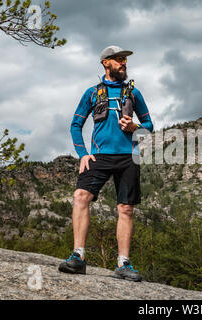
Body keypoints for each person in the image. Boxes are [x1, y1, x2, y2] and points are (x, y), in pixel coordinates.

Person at [58, 45, 153, 282]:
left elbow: (149, 126)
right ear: (106, 63)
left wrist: (135, 128)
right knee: (81, 196)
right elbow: (75, 125)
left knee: (126, 208)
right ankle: (78, 257)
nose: (124, 63)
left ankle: (123, 263)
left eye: (125, 60)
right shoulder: (92, 93)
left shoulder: (134, 93)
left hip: (129, 156)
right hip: (99, 156)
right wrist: (82, 153)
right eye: (119, 59)